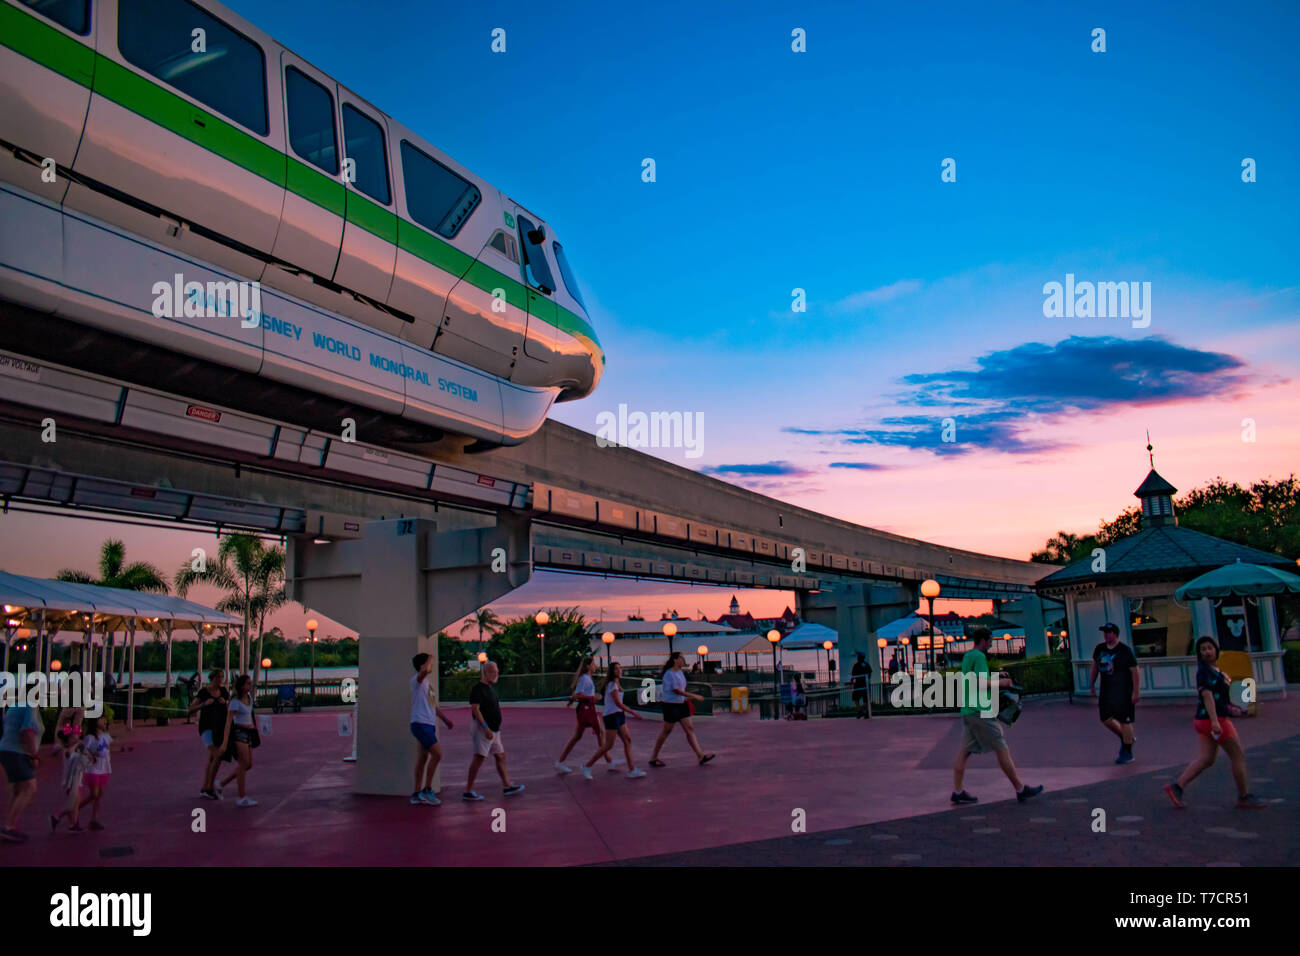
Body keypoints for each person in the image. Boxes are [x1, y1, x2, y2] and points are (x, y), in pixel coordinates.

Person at [1164, 637, 1266, 809]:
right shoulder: (1204, 672)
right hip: (1214, 720)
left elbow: (1220, 698)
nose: (1206, 651)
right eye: (1203, 649)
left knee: (1207, 758)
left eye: (1209, 648)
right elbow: (1207, 696)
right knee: (1237, 755)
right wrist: (1214, 721)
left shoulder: (1216, 671)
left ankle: (1177, 787)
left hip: (1205, 719)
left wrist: (1231, 707)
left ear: (1216, 650)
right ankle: (1244, 796)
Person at [950, 627, 1043, 805]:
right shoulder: (979, 656)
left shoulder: (968, 656)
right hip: (979, 710)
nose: (992, 643)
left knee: (965, 751)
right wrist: (1004, 682)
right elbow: (981, 683)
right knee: (1001, 746)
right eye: (991, 640)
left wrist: (995, 677)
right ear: (984, 640)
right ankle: (1020, 789)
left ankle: (958, 791)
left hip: (968, 709)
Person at [464, 662, 524, 801]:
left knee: (500, 756)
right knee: (479, 758)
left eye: (496, 672)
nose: (496, 675)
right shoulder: (478, 689)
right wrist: (485, 727)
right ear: (485, 672)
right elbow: (475, 710)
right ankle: (468, 790)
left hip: (495, 730)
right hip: (484, 729)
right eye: (493, 672)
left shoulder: (490, 689)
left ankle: (507, 785)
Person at [648, 652, 715, 768]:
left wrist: (688, 698)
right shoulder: (669, 674)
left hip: (681, 704)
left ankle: (700, 756)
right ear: (675, 660)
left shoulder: (680, 672)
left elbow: (682, 689)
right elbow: (677, 690)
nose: (683, 660)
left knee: (689, 729)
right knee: (666, 731)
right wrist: (694, 696)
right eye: (681, 658)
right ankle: (653, 757)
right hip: (671, 705)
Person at [581, 662, 646, 779]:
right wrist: (632, 712)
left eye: (620, 668)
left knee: (627, 740)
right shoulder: (612, 685)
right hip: (611, 716)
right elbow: (617, 703)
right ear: (612, 672)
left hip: (619, 715)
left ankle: (632, 770)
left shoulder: (616, 683)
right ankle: (587, 766)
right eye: (616, 669)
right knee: (608, 745)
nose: (619, 670)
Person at [1089, 623, 1140, 764]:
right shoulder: (1100, 649)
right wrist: (1092, 684)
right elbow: (1095, 667)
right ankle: (1126, 738)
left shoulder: (1125, 650)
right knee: (1105, 718)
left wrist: (1136, 691)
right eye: (1104, 632)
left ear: (1115, 634)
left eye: (1109, 632)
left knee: (1125, 720)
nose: (1106, 634)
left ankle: (1127, 750)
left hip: (1123, 690)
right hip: (1106, 690)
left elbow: (1135, 670)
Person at [0, 687, 44, 843]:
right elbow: (27, 730)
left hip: (6, 749)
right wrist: (34, 754)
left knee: (17, 789)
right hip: (16, 751)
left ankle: (9, 825)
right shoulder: (29, 706)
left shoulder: (14, 707)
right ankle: (9, 826)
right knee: (30, 787)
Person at [555, 657, 613, 774]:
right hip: (585, 710)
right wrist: (592, 698)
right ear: (588, 666)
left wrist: (591, 698)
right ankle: (608, 761)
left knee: (584, 735)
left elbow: (578, 694)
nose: (595, 666)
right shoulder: (584, 679)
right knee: (599, 732)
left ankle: (561, 761)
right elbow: (577, 695)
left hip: (588, 709)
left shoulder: (587, 678)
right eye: (593, 664)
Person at [409, 652, 453, 806]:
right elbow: (421, 674)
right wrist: (425, 668)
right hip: (420, 724)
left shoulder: (429, 685)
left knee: (423, 758)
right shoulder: (417, 681)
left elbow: (433, 705)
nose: (432, 665)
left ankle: (415, 793)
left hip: (428, 724)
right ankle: (427, 789)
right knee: (438, 755)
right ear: (422, 665)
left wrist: (445, 719)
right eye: (429, 663)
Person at [218, 675, 258, 807]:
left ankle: (222, 783)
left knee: (248, 765)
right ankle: (241, 796)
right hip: (239, 733)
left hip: (249, 733)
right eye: (248, 684)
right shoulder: (235, 701)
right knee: (243, 763)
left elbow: (249, 715)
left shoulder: (249, 698)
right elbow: (229, 722)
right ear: (242, 686)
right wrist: (225, 742)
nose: (250, 686)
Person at [189, 669, 229, 800]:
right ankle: (209, 787)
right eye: (219, 677)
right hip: (207, 728)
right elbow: (191, 709)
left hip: (219, 728)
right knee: (217, 754)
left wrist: (226, 703)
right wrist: (204, 704)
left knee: (212, 758)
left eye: (222, 677)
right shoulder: (204, 693)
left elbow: (231, 708)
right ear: (213, 678)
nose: (221, 680)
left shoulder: (223, 692)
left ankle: (205, 787)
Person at [49, 708, 88, 832]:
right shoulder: (77, 712)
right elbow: (75, 733)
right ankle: (57, 816)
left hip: (71, 770)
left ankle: (74, 823)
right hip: (72, 773)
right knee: (73, 799)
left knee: (75, 799)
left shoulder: (66, 717)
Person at [76, 716, 113, 830]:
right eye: (102, 719)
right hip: (93, 769)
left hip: (104, 768)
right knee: (94, 794)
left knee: (99, 795)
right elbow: (82, 749)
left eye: (104, 719)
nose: (104, 721)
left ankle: (94, 819)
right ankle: (74, 810)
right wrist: (91, 755)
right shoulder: (90, 738)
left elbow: (107, 751)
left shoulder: (106, 736)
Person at [850, 652, 872, 718]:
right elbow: (869, 674)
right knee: (865, 699)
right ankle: (863, 712)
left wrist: (852, 681)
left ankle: (860, 711)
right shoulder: (866, 664)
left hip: (859, 684)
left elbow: (853, 675)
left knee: (857, 699)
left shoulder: (856, 665)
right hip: (865, 684)